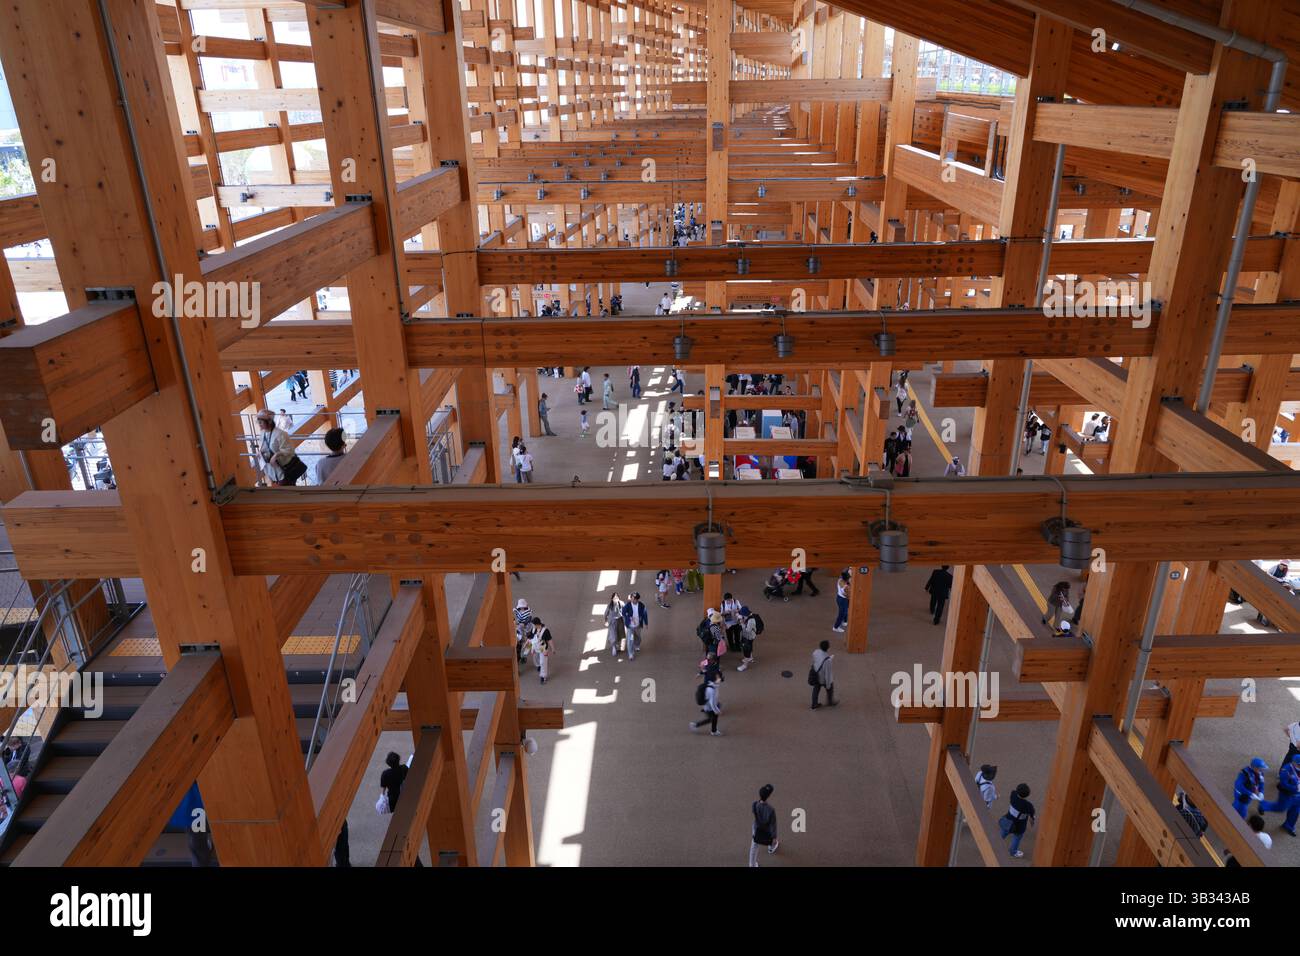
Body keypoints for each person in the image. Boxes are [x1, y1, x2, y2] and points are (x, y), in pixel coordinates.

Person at [254, 408, 304, 486]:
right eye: (258, 422)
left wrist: (276, 455)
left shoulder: (281, 434)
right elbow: (265, 447)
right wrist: (260, 453)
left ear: (269, 422)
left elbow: (290, 450)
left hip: (283, 471)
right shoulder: (263, 433)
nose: (259, 424)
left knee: (286, 493)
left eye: (261, 422)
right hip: (272, 472)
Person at [1259, 752, 1300, 836]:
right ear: (1294, 763)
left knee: (1295, 810)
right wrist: (1295, 788)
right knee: (1280, 808)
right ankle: (1263, 805)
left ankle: (1288, 826)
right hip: (1287, 795)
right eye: (1299, 764)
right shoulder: (1286, 770)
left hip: (1298, 796)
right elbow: (1284, 784)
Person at [998, 783, 1035, 858]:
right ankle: (1013, 852)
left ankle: (995, 843)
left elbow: (1014, 791)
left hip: (1008, 819)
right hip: (1020, 825)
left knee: (1003, 832)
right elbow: (1031, 816)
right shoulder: (1028, 805)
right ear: (1028, 794)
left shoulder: (1013, 794)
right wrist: (1032, 822)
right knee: (1017, 837)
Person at [749, 784, 779, 866]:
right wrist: (774, 837)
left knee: (754, 846)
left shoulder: (754, 804)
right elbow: (773, 825)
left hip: (756, 827)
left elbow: (754, 812)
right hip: (767, 829)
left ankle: (752, 864)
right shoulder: (771, 810)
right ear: (768, 796)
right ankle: (771, 848)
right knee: (771, 840)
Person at [621, 591, 649, 660]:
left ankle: (637, 645)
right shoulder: (628, 605)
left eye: (634, 599)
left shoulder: (642, 605)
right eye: (632, 598)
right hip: (630, 626)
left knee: (638, 638)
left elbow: (645, 614)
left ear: (637, 599)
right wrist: (629, 617)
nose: (632, 599)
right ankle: (631, 654)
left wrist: (646, 623)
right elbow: (623, 612)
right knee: (630, 639)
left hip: (638, 625)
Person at [810, 640, 837, 709]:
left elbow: (815, 659)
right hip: (823, 678)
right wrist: (828, 685)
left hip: (816, 675)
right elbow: (827, 674)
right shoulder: (827, 660)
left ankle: (814, 704)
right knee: (830, 689)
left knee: (816, 689)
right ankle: (830, 702)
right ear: (828, 648)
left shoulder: (816, 652)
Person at [530, 617, 553, 684]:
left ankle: (543, 676)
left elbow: (549, 640)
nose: (533, 626)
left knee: (543, 662)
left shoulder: (545, 630)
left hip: (543, 648)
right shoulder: (533, 629)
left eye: (533, 624)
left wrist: (553, 648)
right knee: (536, 659)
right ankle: (538, 665)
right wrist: (529, 647)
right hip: (535, 647)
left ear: (537, 624)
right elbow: (531, 638)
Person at [737, 606, 760, 671]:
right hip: (747, 636)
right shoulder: (747, 616)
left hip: (749, 636)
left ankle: (745, 665)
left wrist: (742, 624)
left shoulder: (751, 621)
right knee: (749, 646)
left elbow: (748, 630)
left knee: (746, 649)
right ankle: (750, 657)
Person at [604, 594, 625, 658]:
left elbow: (625, 610)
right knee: (613, 635)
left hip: (620, 621)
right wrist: (606, 620)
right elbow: (605, 613)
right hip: (612, 622)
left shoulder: (621, 603)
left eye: (617, 598)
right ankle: (614, 647)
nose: (616, 599)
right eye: (614, 598)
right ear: (612, 599)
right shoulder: (610, 606)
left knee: (619, 634)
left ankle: (617, 645)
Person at [514, 598, 534, 665]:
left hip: (527, 628)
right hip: (519, 627)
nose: (522, 608)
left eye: (523, 606)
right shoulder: (517, 610)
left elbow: (529, 619)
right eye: (520, 607)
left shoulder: (528, 611)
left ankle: (524, 655)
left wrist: (524, 624)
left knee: (529, 642)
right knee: (519, 640)